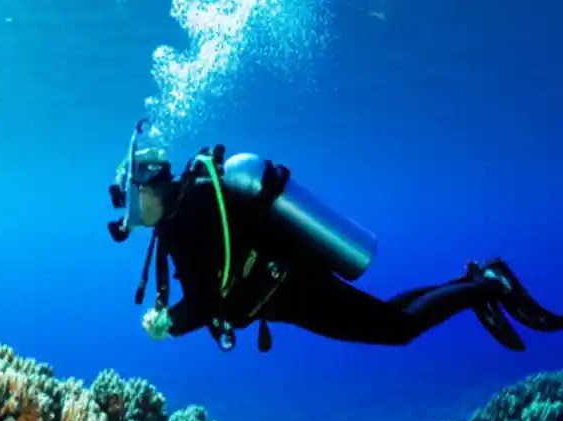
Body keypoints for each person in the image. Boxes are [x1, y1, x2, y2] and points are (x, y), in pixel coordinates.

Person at [105, 128, 563, 352]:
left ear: (149, 188)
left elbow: (205, 302)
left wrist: (169, 326)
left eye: (133, 199)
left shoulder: (188, 218)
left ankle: (487, 285)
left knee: (397, 331)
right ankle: (471, 283)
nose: (133, 213)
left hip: (293, 291)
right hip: (292, 283)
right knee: (386, 317)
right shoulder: (191, 206)